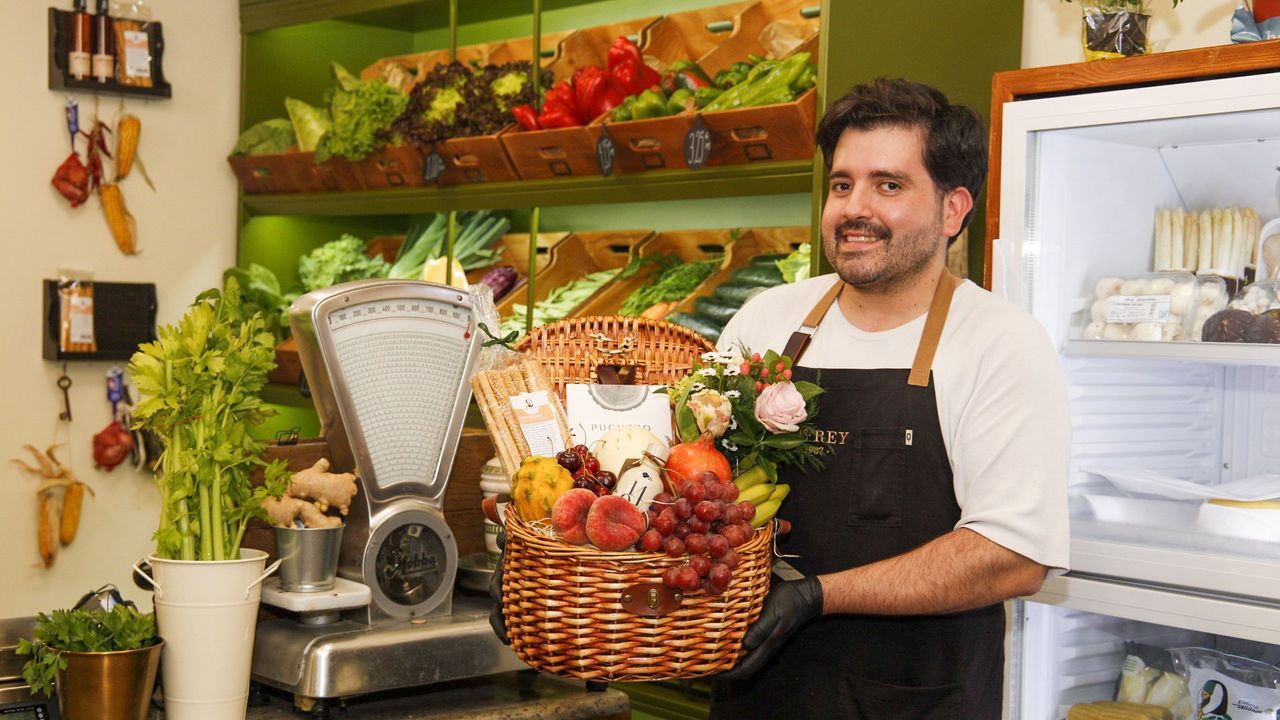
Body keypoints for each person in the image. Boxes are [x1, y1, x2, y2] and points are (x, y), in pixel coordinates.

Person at [709, 78, 1070, 718]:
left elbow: (1013, 558)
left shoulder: (1000, 342)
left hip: (913, 698)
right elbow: (685, 488)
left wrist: (817, 596)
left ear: (953, 210)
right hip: (757, 690)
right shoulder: (767, 319)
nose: (855, 207)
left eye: (889, 185)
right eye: (843, 184)